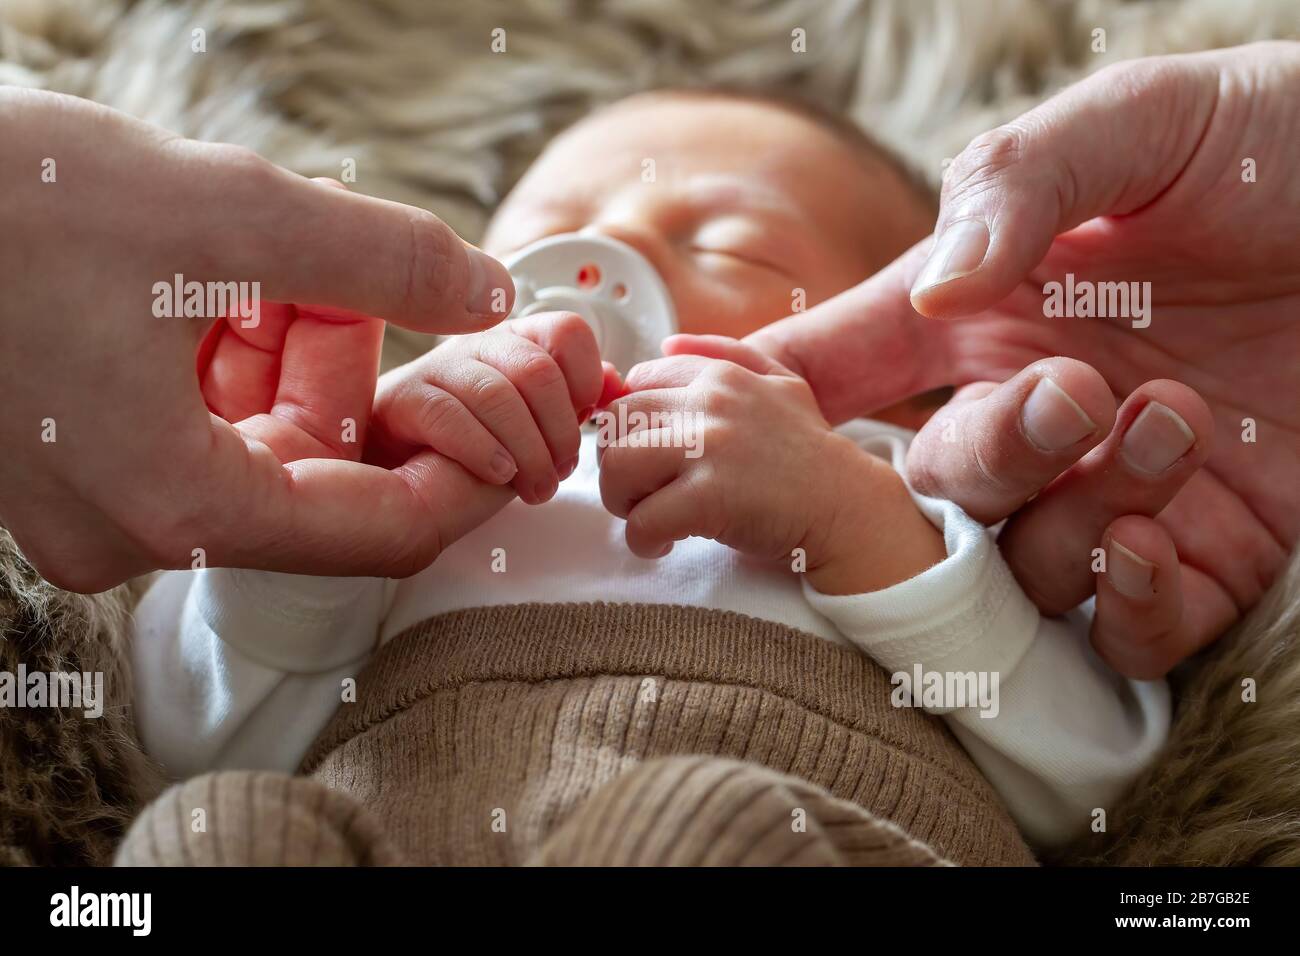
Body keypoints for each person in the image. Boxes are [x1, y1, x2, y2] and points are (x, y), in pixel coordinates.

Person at [132, 89, 1184, 852]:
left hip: (787, 833)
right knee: (213, 833)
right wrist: (305, 541)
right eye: (547, 241)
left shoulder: (910, 489)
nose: (610, 245)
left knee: (700, 834)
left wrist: (853, 517)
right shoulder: (415, 469)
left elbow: (1087, 771)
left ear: (906, 380)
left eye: (733, 247)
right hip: (397, 825)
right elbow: (197, 737)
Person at [741, 41, 1300, 677]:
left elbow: (1083, 746)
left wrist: (835, 508)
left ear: (905, 394)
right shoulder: (600, 458)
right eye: (594, 211)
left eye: (730, 249)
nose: (609, 246)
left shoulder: (897, 498)